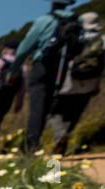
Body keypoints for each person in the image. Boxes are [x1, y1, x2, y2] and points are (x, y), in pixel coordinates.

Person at [12, 0, 81, 153]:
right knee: (52, 104)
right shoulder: (77, 21)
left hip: (42, 66)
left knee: (38, 107)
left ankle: (30, 145)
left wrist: (14, 70)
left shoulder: (44, 20)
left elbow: (24, 48)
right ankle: (59, 136)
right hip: (63, 68)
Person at [50, 11, 103, 154]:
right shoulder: (102, 40)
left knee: (55, 111)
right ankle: (65, 134)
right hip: (90, 82)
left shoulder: (75, 36)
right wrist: (97, 85)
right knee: (75, 113)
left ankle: (60, 135)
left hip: (70, 81)